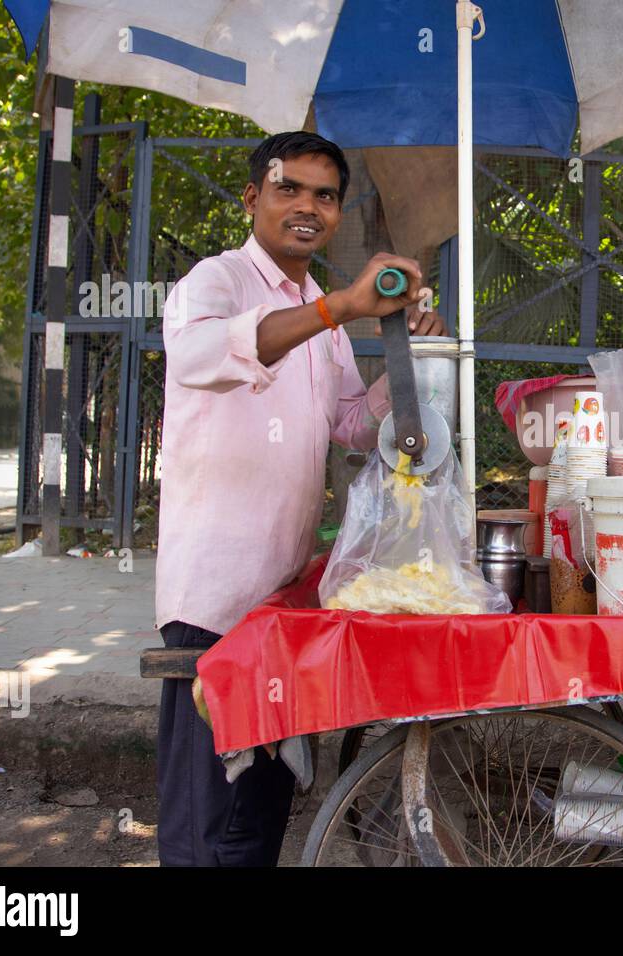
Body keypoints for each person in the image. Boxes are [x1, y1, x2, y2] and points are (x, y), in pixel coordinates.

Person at [154, 131, 446, 866]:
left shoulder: (321, 306)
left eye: (324, 195)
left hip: (284, 597)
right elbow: (195, 356)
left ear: (338, 212)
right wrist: (340, 307)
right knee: (207, 819)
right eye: (289, 189)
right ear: (254, 197)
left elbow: (349, 423)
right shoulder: (215, 282)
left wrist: (408, 356)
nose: (307, 207)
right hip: (213, 600)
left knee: (260, 812)